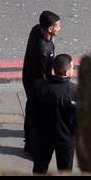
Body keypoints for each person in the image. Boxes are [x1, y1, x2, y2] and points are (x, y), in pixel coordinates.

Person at [22, 10, 61, 158]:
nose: (60, 28)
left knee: (31, 109)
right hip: (38, 85)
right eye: (57, 26)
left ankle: (29, 134)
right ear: (49, 29)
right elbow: (46, 74)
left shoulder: (36, 29)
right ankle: (30, 146)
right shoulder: (44, 49)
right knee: (35, 115)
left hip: (29, 77)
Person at [32, 53, 78, 175]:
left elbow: (31, 111)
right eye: (72, 67)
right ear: (67, 72)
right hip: (66, 139)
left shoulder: (39, 86)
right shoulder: (76, 92)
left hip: (43, 137)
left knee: (39, 169)